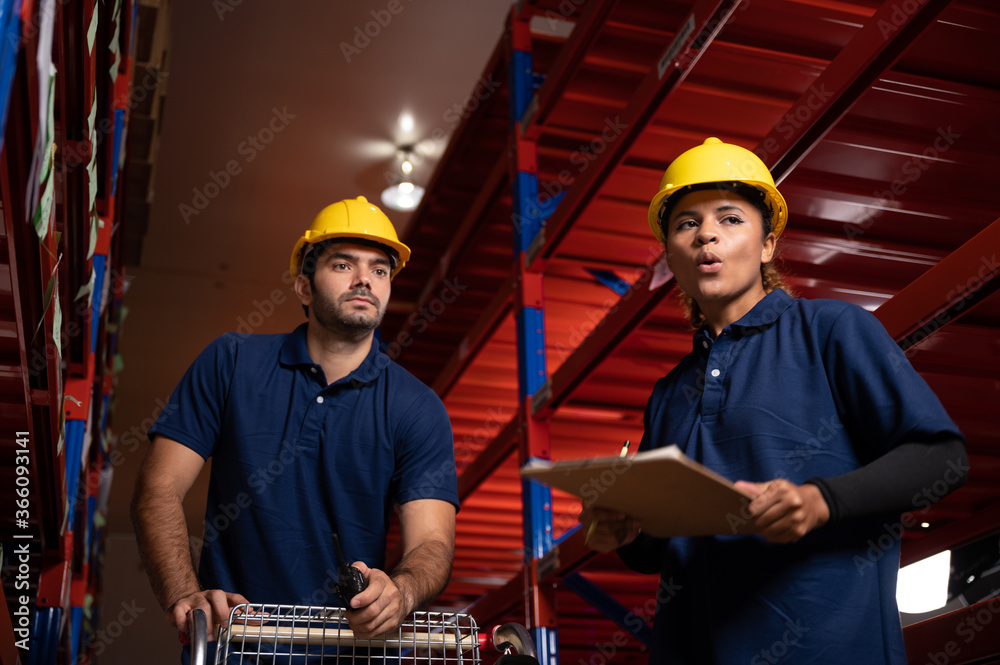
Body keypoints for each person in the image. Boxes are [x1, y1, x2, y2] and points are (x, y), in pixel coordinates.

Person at [579, 138, 969, 664]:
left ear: (767, 246)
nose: (707, 234)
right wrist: (622, 529)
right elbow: (653, 551)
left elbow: (941, 457)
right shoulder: (669, 392)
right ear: (671, 254)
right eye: (686, 223)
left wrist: (819, 500)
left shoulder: (832, 331)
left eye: (730, 218)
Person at [131, 196, 459, 660]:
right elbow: (157, 488)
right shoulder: (230, 363)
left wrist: (401, 591)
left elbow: (432, 541)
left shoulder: (418, 407)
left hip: (348, 651)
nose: (365, 279)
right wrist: (186, 594)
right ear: (304, 286)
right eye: (343, 264)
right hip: (236, 646)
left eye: (380, 270)